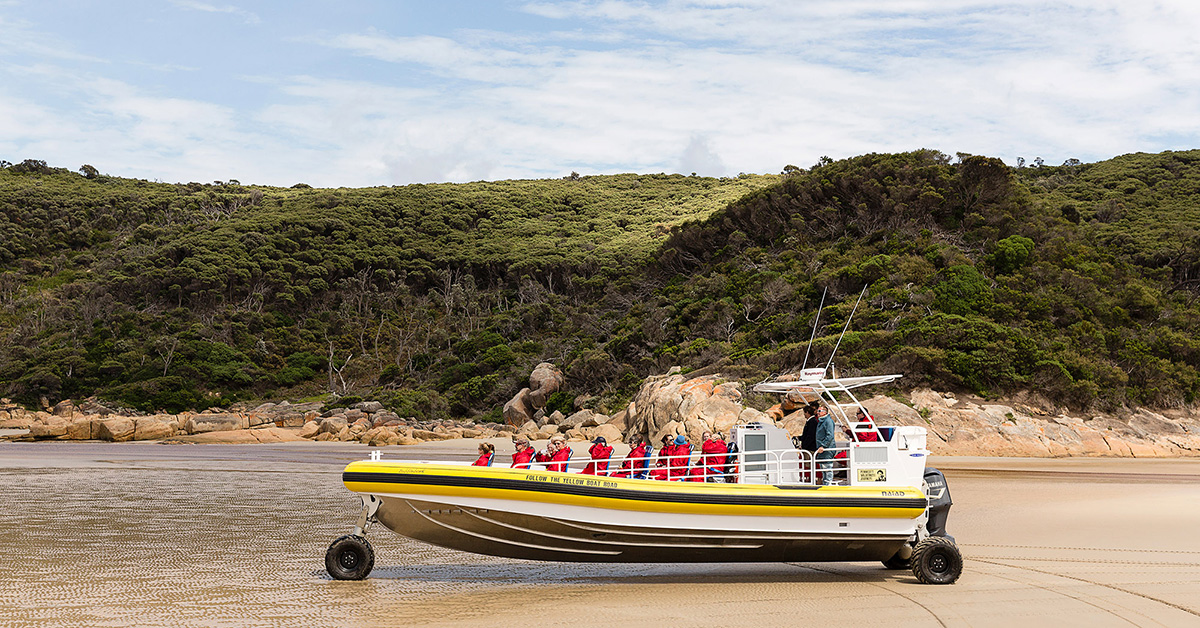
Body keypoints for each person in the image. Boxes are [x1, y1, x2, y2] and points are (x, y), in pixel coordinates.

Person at [814, 405, 837, 485]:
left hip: (827, 449)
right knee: (823, 468)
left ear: (825, 412)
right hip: (822, 449)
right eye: (817, 411)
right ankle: (825, 484)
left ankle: (828, 484)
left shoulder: (828, 421)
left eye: (819, 411)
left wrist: (823, 446)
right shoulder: (821, 421)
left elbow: (830, 436)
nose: (818, 413)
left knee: (827, 467)